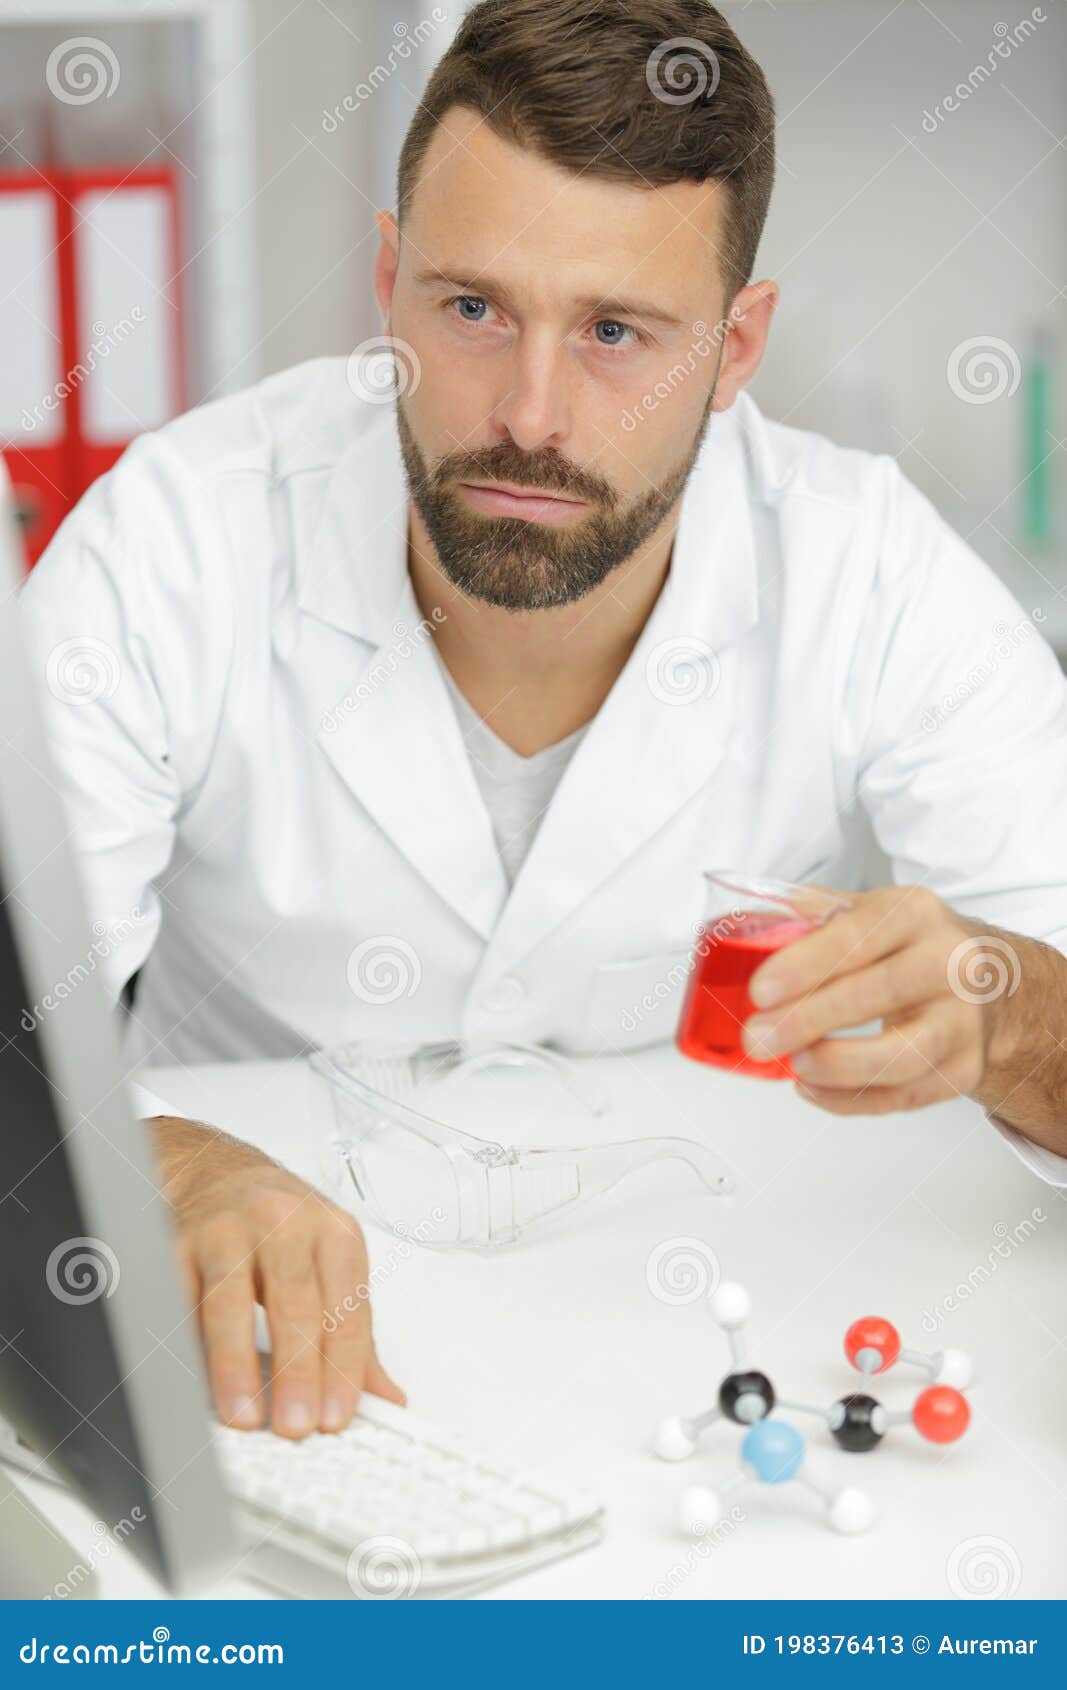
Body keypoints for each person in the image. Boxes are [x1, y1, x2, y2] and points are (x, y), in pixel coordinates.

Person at [19, 0, 1067, 1441]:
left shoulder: (868, 570)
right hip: (270, 1375)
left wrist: (1014, 1024)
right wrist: (159, 1169)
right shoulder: (177, 541)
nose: (527, 412)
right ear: (386, 277)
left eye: (618, 332)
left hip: (717, 1351)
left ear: (738, 344)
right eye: (471, 309)